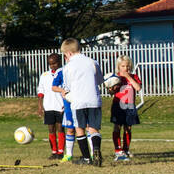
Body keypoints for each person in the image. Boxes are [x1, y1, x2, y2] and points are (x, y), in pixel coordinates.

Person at [59, 38, 104, 166]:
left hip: (78, 101)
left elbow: (67, 87)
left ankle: (86, 158)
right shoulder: (92, 62)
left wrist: (65, 93)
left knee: (80, 129)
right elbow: (100, 80)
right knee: (94, 128)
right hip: (94, 100)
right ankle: (96, 149)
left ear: (68, 53)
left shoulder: (68, 67)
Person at [110, 54, 142, 161]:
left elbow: (138, 88)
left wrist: (128, 77)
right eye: (123, 66)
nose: (126, 68)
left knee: (128, 128)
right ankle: (118, 151)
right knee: (117, 127)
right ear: (118, 67)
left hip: (130, 106)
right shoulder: (116, 78)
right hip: (118, 105)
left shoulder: (134, 77)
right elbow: (112, 91)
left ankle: (126, 149)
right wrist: (111, 89)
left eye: (128, 66)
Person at [36, 53, 66, 160]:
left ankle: (61, 152)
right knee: (51, 129)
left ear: (60, 62)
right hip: (48, 106)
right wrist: (40, 106)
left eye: (55, 63)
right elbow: (41, 91)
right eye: (50, 64)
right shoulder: (44, 75)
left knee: (60, 129)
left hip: (60, 106)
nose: (52, 66)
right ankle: (54, 152)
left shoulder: (64, 73)